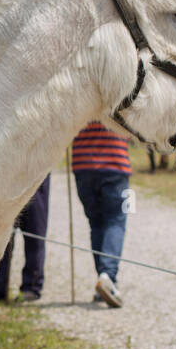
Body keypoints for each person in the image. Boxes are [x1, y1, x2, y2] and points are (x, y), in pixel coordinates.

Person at [71, 121, 131, 308]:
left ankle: (104, 280)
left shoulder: (76, 93)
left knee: (96, 224)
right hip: (114, 162)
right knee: (115, 221)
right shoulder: (118, 92)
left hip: (82, 165)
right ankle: (108, 277)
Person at [0, 175, 49, 303]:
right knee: (3, 237)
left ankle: (31, 288)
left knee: (35, 238)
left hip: (37, 182)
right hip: (10, 182)